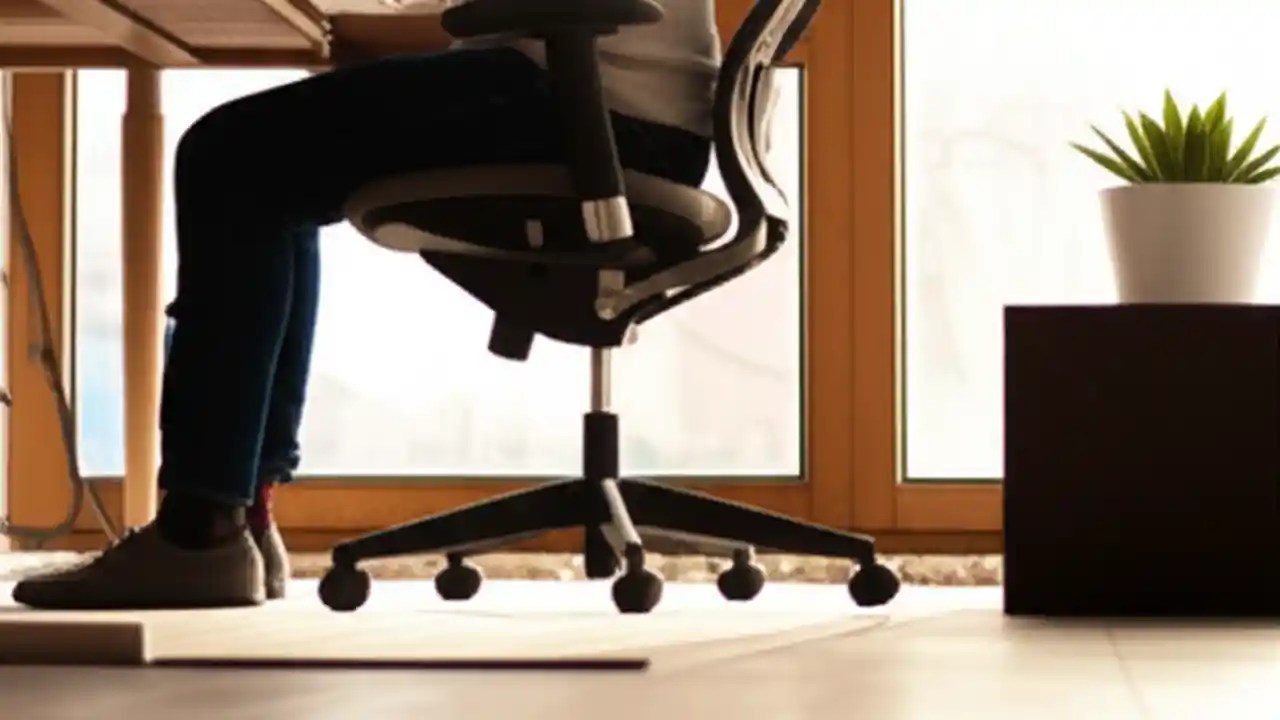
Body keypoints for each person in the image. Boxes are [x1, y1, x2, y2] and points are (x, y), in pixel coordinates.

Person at [13, 0, 720, 609]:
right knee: (267, 178)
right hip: (624, 106)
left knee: (227, 157)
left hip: (580, 98)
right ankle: (234, 514)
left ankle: (204, 524)